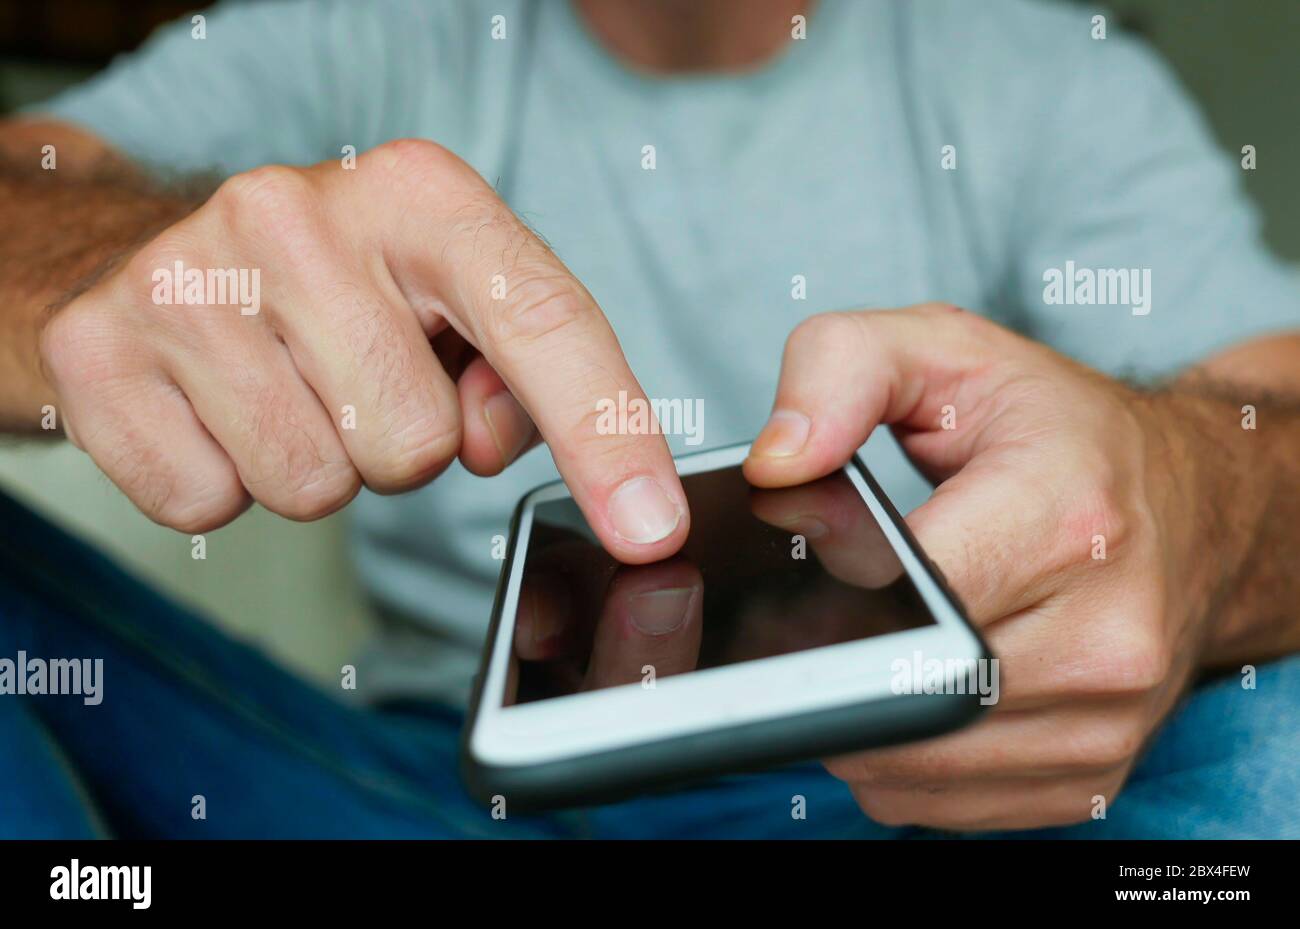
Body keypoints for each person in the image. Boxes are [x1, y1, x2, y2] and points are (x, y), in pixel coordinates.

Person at [0, 0, 1297, 838]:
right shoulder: (353, 28)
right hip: (393, 787)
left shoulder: (1041, 70)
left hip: (905, 794)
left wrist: (1193, 503)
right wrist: (127, 270)